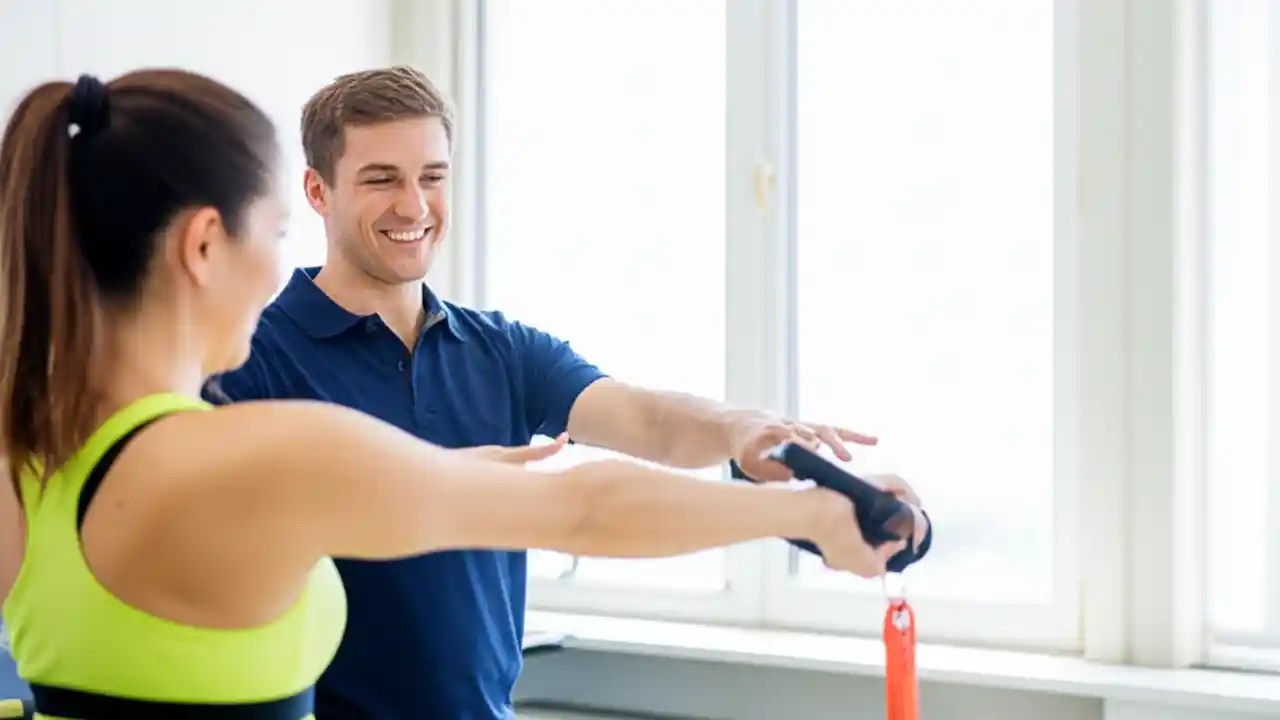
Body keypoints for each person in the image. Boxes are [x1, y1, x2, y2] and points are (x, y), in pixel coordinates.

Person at [0, 68, 912, 720]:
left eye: (432, 176)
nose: (279, 262)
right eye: (273, 229)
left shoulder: (25, 450)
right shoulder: (265, 446)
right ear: (206, 245)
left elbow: (624, 424)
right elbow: (580, 509)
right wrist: (809, 515)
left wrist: (743, 435)